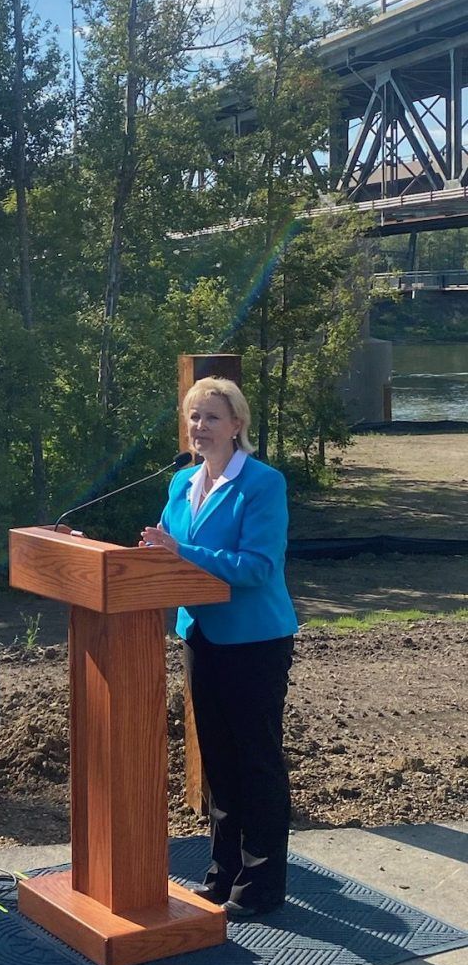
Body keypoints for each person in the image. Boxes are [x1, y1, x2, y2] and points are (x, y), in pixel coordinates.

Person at [141, 377, 298, 920]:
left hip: (255, 640)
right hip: (201, 636)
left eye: (211, 417)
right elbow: (165, 551)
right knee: (220, 763)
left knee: (255, 761)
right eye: (192, 417)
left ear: (237, 425)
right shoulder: (181, 483)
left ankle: (262, 884)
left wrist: (180, 549)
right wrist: (151, 555)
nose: (199, 427)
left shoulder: (263, 483)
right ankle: (223, 873)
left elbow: (257, 567)